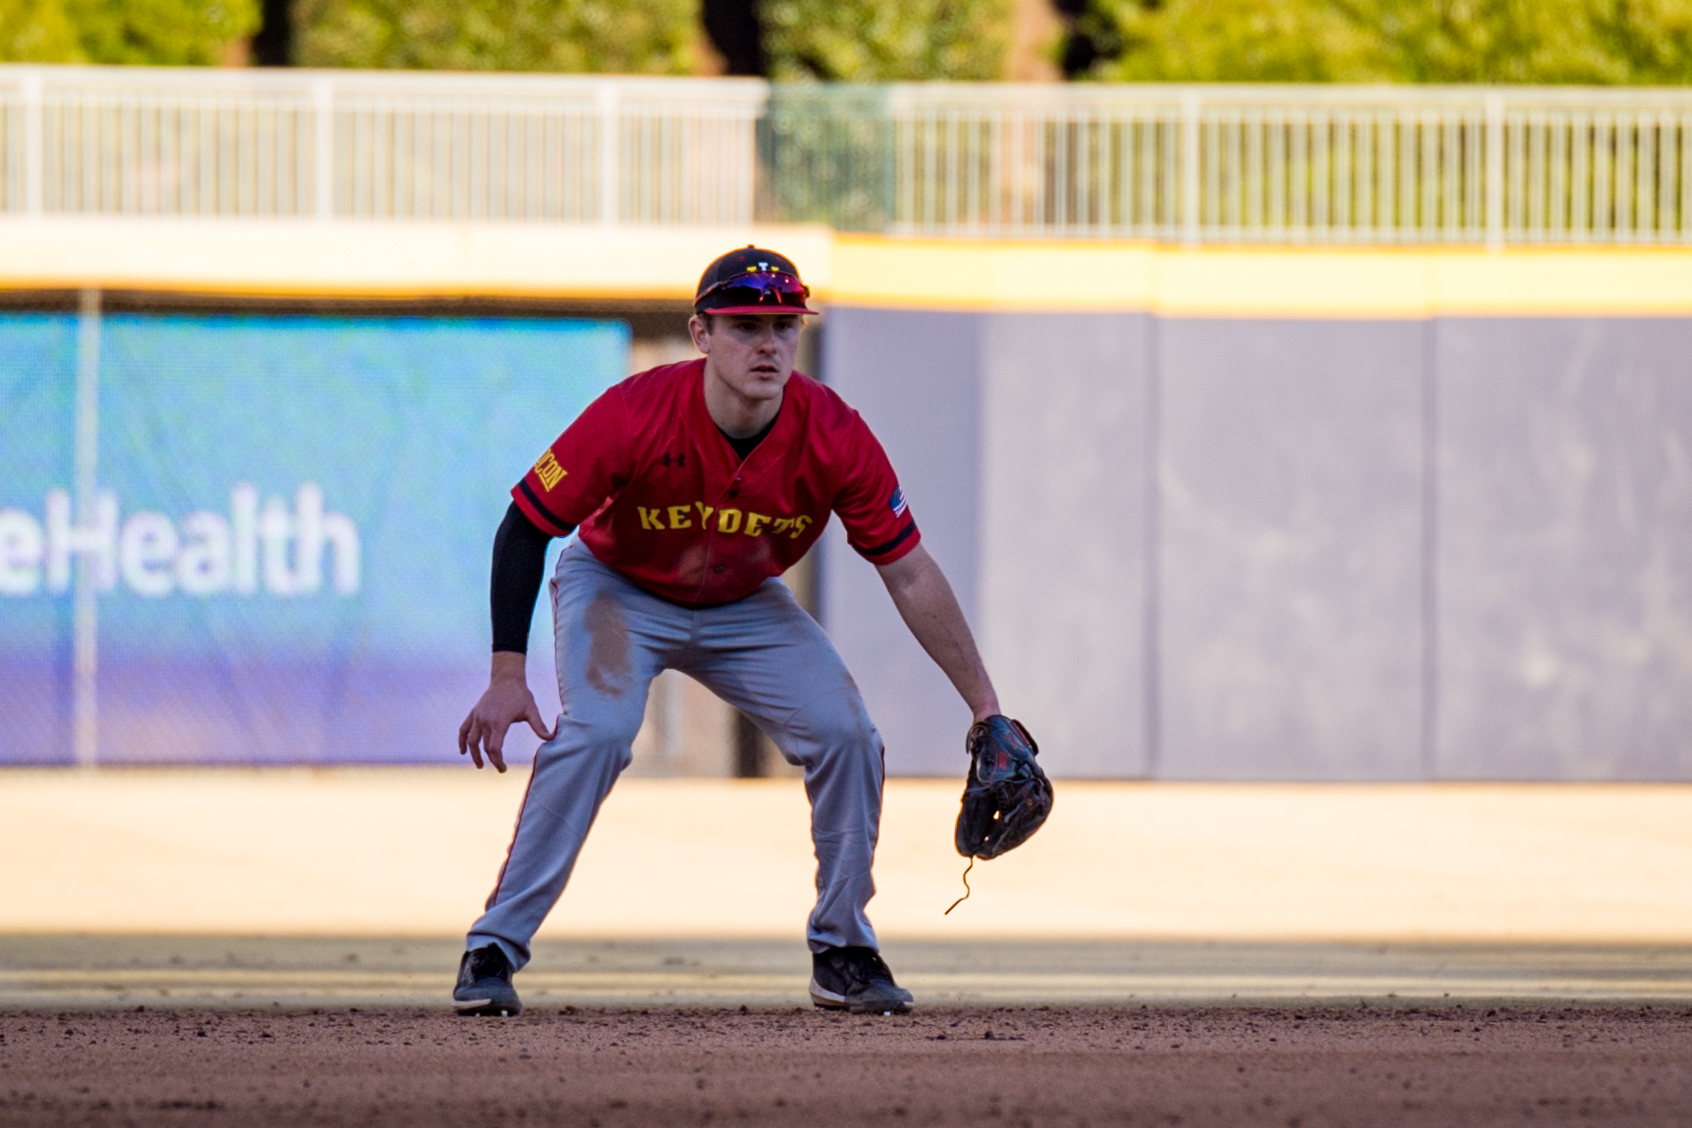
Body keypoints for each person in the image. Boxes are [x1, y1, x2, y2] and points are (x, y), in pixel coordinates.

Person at [453, 246, 1003, 1017]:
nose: (769, 343)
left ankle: (843, 947)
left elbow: (909, 570)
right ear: (701, 333)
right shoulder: (635, 411)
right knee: (601, 731)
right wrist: (507, 673)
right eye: (746, 325)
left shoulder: (835, 433)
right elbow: (525, 526)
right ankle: (494, 947)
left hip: (745, 602)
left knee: (847, 734)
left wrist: (986, 708)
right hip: (618, 586)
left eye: (785, 326)